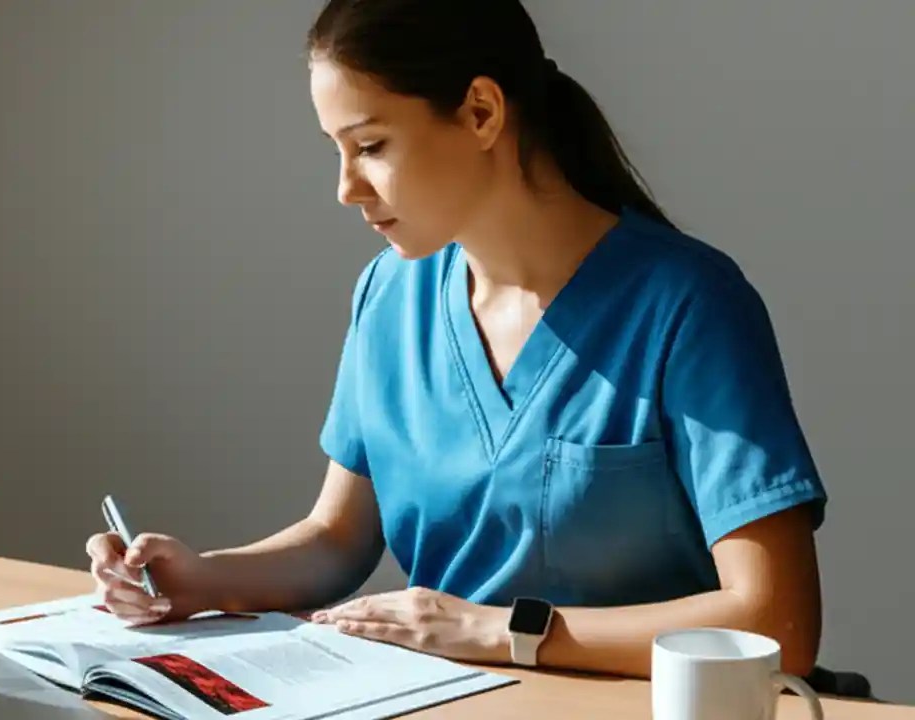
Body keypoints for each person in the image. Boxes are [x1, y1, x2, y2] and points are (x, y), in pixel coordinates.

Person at [86, 0, 827, 680]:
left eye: (370, 145)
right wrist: (200, 579)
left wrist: (502, 632)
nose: (346, 187)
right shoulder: (391, 294)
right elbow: (337, 539)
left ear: (480, 112)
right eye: (336, 150)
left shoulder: (686, 306)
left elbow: (775, 623)